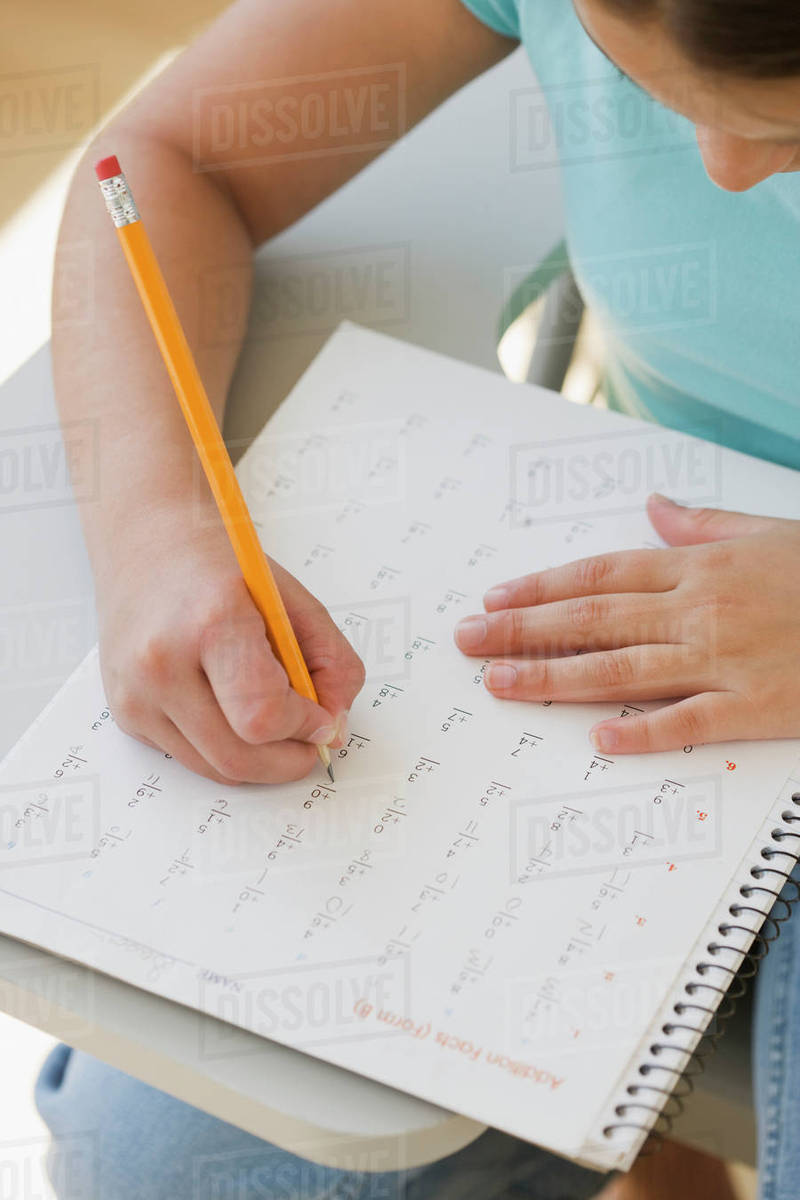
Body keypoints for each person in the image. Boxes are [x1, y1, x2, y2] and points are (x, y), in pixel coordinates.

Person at [37, 0, 800, 1196]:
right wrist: (153, 529)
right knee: (165, 1168)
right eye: (641, 86)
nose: (722, 170)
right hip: (638, 552)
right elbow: (163, 162)